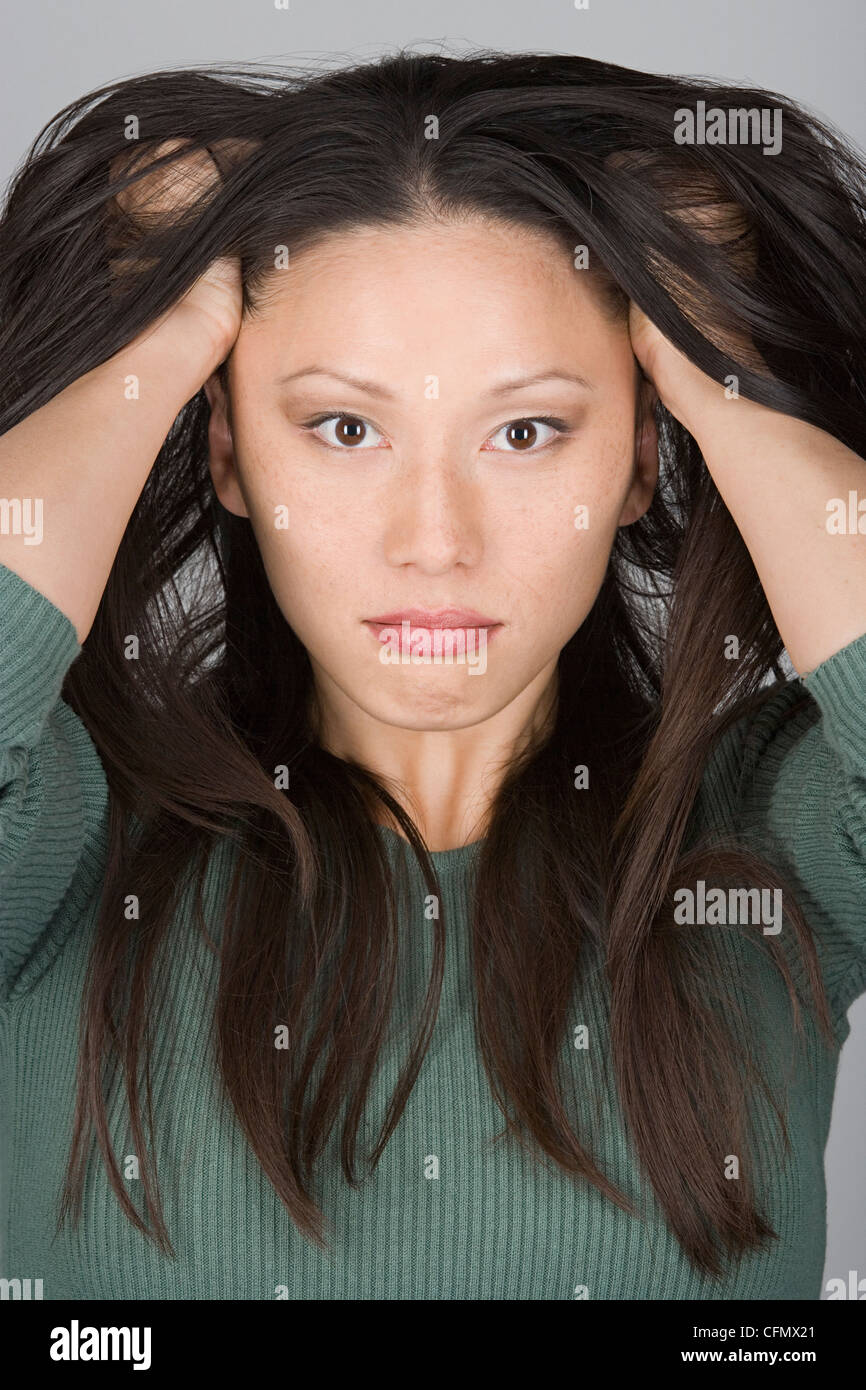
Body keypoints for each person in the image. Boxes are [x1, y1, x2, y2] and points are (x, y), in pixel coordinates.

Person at [1, 48, 864, 1300]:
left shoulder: (768, 844)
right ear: (230, 449)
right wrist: (164, 318)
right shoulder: (65, 839)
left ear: (636, 459)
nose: (434, 538)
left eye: (526, 430)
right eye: (343, 428)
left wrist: (716, 355)